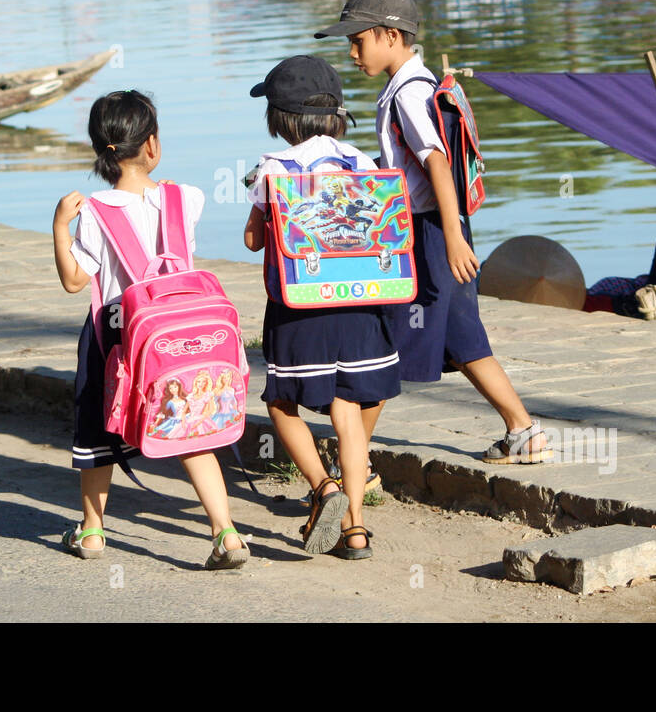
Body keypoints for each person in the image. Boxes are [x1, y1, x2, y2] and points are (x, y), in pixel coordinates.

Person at [316, 0, 552, 465]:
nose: (352, 52)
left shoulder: (408, 93)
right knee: (462, 336)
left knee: (386, 347)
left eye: (357, 41)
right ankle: (523, 431)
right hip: (440, 227)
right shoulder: (408, 86)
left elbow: (438, 163)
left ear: (388, 35)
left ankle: (350, 468)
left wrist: (448, 237)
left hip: (429, 232)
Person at [52, 89, 249, 569]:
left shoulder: (94, 212)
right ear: (153, 147)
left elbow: (75, 282)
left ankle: (94, 531)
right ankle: (226, 533)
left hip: (116, 336)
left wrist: (61, 227)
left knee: (97, 435)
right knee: (194, 429)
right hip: (181, 337)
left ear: (102, 151)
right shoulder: (189, 198)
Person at [243, 55, 400, 558]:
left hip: (300, 305)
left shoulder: (274, 168)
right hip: (361, 304)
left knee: (281, 401)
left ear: (280, 119)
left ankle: (322, 487)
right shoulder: (363, 162)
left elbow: (252, 240)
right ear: (336, 114)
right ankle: (355, 527)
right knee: (349, 409)